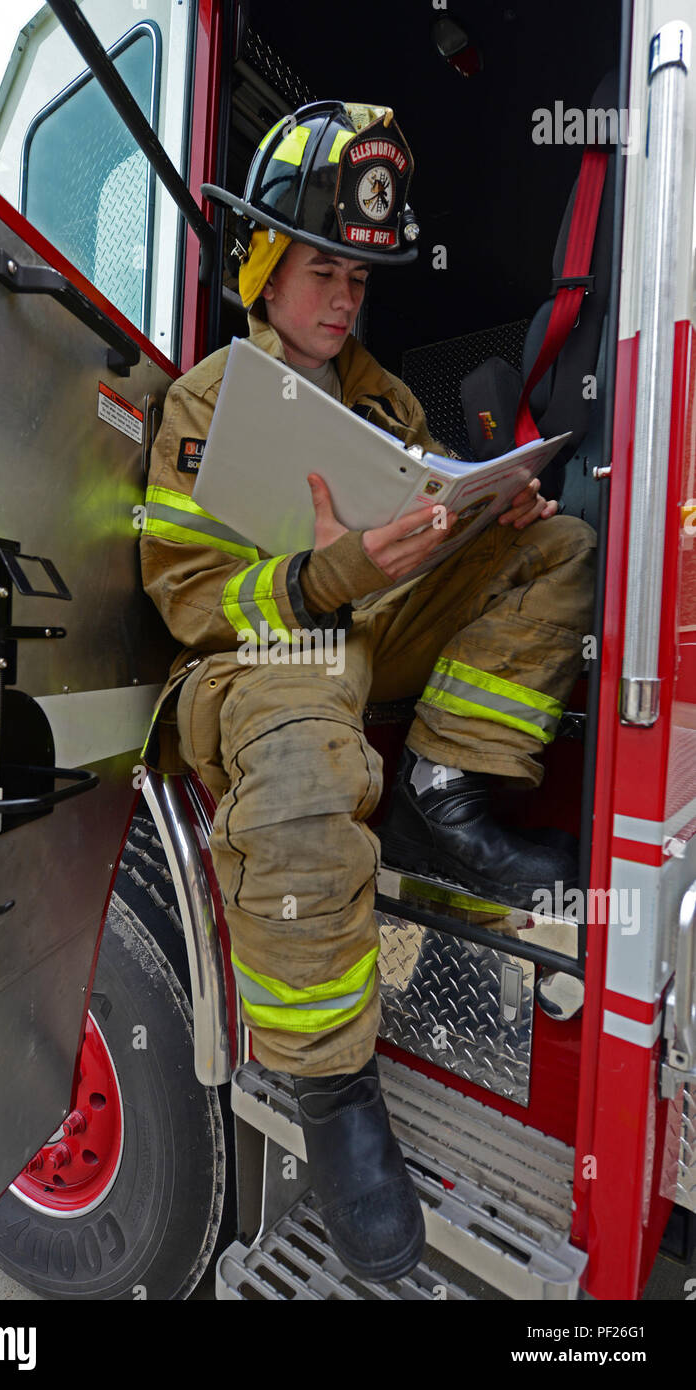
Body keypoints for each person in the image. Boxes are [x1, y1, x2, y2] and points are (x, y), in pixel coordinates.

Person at [139, 100, 597, 1283]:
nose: (344, 298)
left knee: (558, 550)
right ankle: (332, 1088)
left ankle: (441, 796)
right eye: (323, 269)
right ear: (264, 266)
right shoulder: (206, 403)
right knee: (299, 741)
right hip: (256, 666)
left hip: (366, 635)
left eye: (360, 277)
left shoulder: (388, 398)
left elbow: (414, 540)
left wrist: (485, 514)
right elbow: (192, 599)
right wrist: (336, 568)